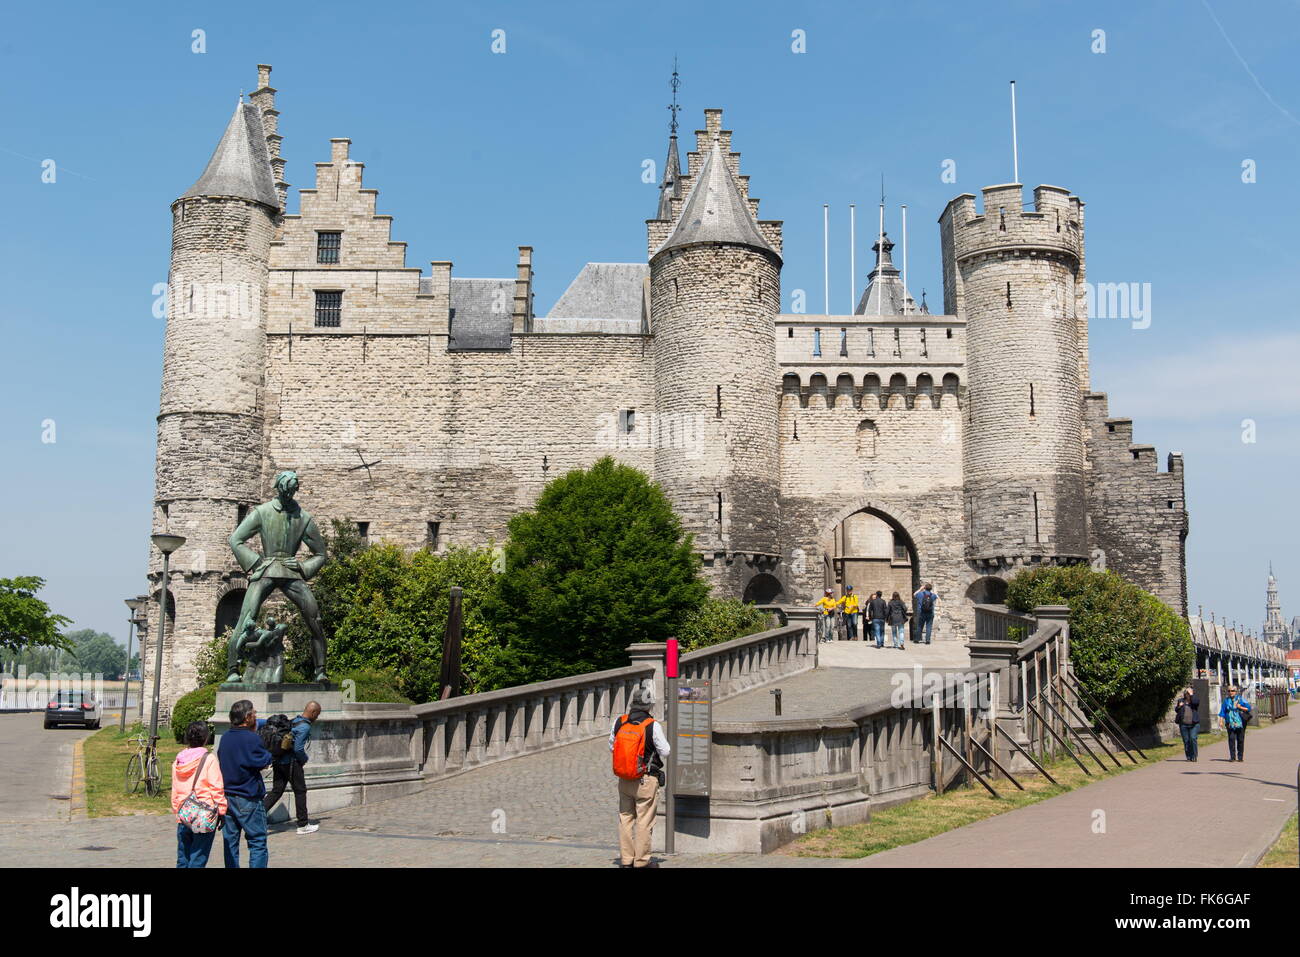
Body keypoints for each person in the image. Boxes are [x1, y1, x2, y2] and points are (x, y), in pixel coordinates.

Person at [609, 682, 670, 868]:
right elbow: (666, 751)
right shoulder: (652, 725)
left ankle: (626, 860)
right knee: (644, 820)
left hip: (624, 779)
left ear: (633, 704)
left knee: (625, 818)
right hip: (645, 779)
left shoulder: (619, 722)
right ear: (649, 705)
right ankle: (642, 861)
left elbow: (612, 746)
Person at [218, 699, 274, 868]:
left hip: (228, 795)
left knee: (230, 842)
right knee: (257, 841)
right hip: (248, 796)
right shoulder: (251, 738)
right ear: (248, 717)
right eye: (254, 713)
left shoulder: (225, 737)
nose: (256, 716)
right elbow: (263, 760)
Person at [172, 720, 226, 868]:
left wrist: (177, 809)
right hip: (203, 814)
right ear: (206, 737)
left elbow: (175, 788)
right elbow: (216, 788)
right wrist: (221, 810)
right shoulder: (209, 759)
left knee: (183, 858)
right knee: (198, 857)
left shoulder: (179, 759)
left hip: (184, 813)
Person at [263, 701, 321, 834]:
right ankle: (303, 824)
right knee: (300, 791)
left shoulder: (294, 721)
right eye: (317, 715)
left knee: (276, 791)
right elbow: (298, 748)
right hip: (292, 763)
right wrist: (304, 760)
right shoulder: (305, 727)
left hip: (278, 761)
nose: (317, 718)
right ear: (313, 712)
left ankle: (257, 817)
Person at [1219, 684, 1251, 762]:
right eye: (1229, 691)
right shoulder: (1226, 701)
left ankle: (1240, 757)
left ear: (1236, 692)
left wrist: (1240, 707)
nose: (1231, 692)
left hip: (1240, 722)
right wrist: (1221, 721)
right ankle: (1232, 757)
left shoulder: (1241, 699)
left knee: (1240, 739)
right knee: (1231, 739)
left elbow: (1248, 708)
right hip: (1230, 723)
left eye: (1232, 691)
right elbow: (1222, 711)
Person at [1174, 686, 1200, 762]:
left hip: (1194, 724)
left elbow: (1195, 703)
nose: (1187, 694)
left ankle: (1194, 756)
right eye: (1186, 693)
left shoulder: (1195, 700)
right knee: (1186, 741)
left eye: (1189, 693)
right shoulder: (1181, 700)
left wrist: (1191, 694)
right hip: (1183, 724)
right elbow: (1176, 710)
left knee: (1193, 738)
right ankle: (1189, 756)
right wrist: (1179, 706)